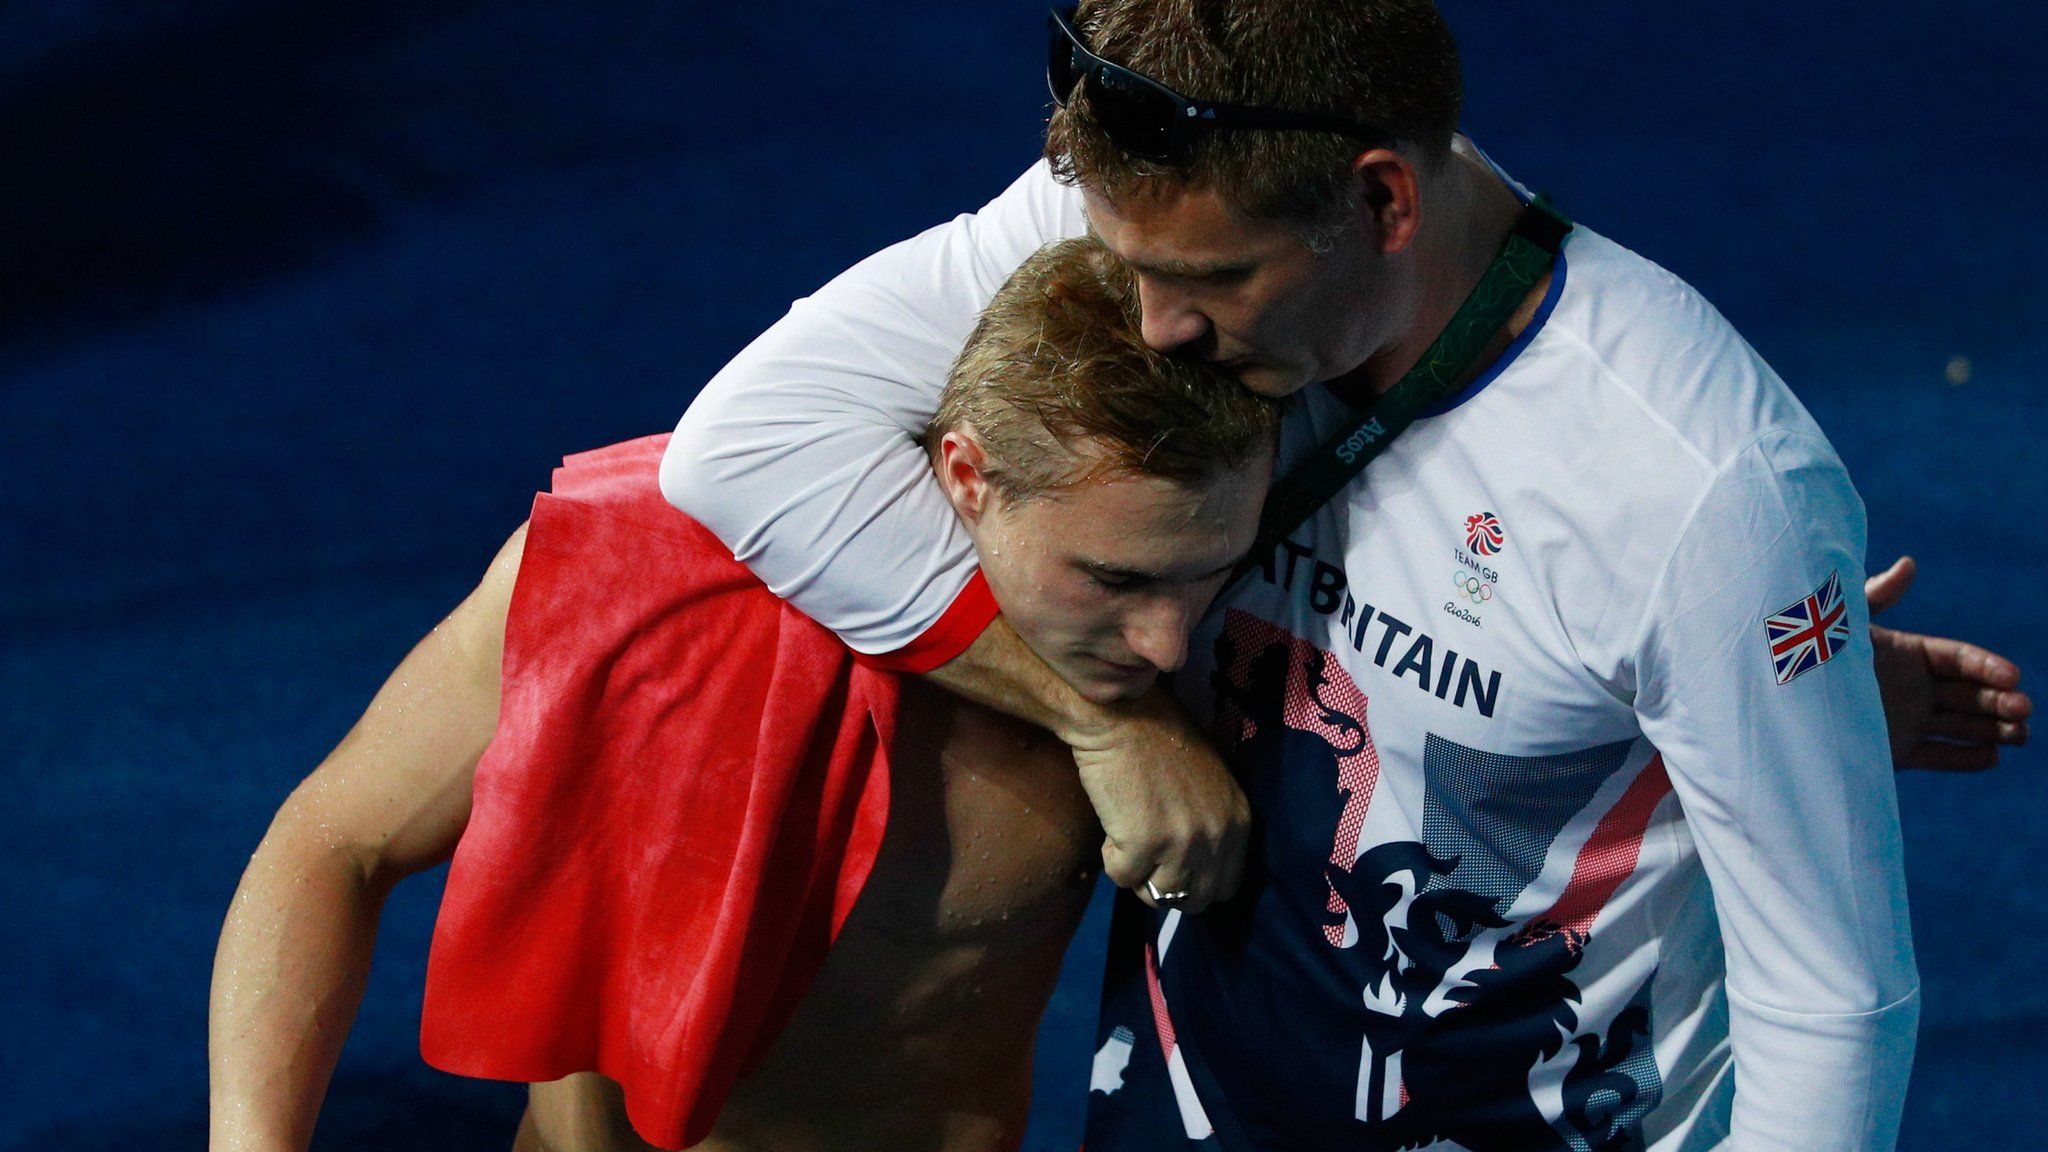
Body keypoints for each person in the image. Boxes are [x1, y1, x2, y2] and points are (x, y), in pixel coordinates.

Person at [657, 2, 2030, 1147]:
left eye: (1210, 281)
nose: (1154, 327)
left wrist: (1738, 704)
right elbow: (745, 448)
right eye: (1128, 266)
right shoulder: (1167, 233)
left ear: (1380, 200)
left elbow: (1830, 1006)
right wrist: (1105, 720)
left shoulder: (1699, 491)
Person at [206, 239, 1278, 1152]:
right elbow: (332, 843)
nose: (1164, 636)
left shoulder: (1193, 671)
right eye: (1114, 580)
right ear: (966, 475)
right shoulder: (619, 573)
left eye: (1203, 571)